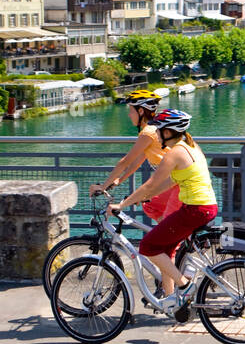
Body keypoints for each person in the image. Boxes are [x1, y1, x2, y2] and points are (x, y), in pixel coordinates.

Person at [108, 109, 219, 321]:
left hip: (194, 209)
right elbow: (170, 182)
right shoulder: (190, 147)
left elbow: (150, 184)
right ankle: (172, 300)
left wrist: (121, 205)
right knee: (165, 249)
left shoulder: (175, 152)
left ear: (170, 131)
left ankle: (184, 286)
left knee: (148, 246)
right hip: (204, 206)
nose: (157, 135)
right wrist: (144, 197)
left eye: (160, 131)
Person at [89, 89, 180, 223]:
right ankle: (175, 239)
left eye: (131, 111)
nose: (129, 115)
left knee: (149, 203)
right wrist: (119, 180)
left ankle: (172, 240)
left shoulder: (148, 132)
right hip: (173, 181)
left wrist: (103, 186)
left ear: (141, 111)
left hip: (174, 183)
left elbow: (125, 162)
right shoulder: (154, 130)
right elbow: (137, 161)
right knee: (152, 206)